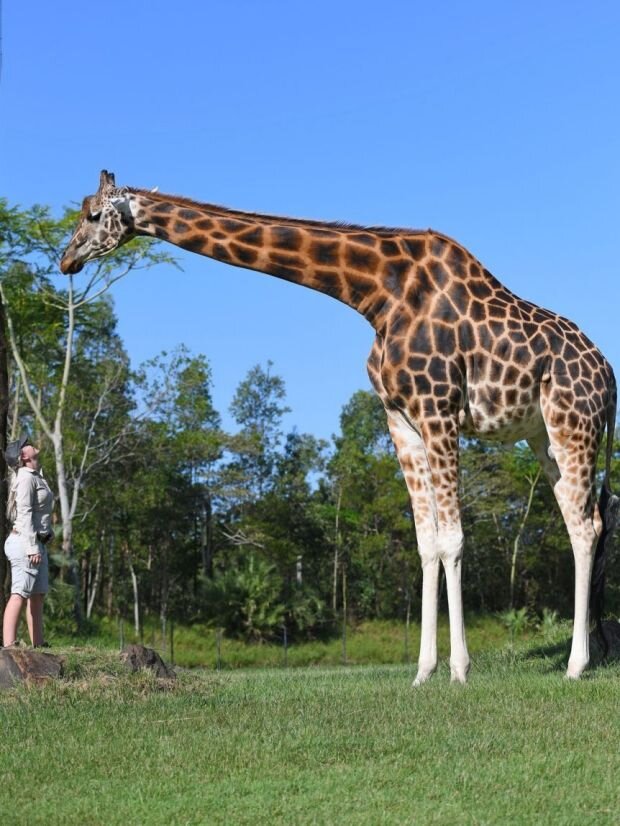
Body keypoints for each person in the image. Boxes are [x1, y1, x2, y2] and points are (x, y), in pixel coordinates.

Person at [2, 434, 55, 648]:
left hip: (36, 544)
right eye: (26, 444)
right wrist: (32, 547)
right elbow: (24, 514)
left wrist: (45, 534)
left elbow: (38, 513)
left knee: (37, 595)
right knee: (19, 593)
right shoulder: (25, 477)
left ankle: (38, 645)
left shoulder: (35, 476)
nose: (31, 444)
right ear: (23, 456)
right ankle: (9, 647)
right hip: (25, 544)